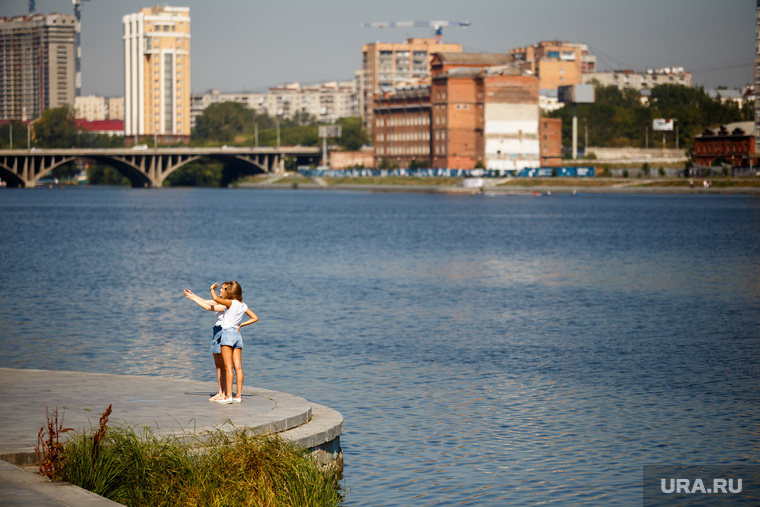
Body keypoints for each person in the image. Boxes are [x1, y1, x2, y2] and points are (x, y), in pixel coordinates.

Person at [210, 281, 258, 404]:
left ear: (230, 292)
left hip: (228, 334)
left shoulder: (230, 303)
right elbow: (255, 318)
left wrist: (212, 289)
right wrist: (242, 324)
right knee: (239, 368)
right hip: (237, 335)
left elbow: (215, 298)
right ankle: (238, 396)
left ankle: (228, 397)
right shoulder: (243, 305)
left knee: (228, 367)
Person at [184, 286, 228, 401]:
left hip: (223, 333)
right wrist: (192, 295)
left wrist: (193, 298)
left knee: (223, 366)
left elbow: (208, 308)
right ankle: (220, 392)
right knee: (218, 366)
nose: (220, 290)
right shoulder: (220, 301)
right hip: (216, 331)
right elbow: (204, 301)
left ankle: (224, 393)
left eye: (223, 288)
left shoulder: (228, 304)